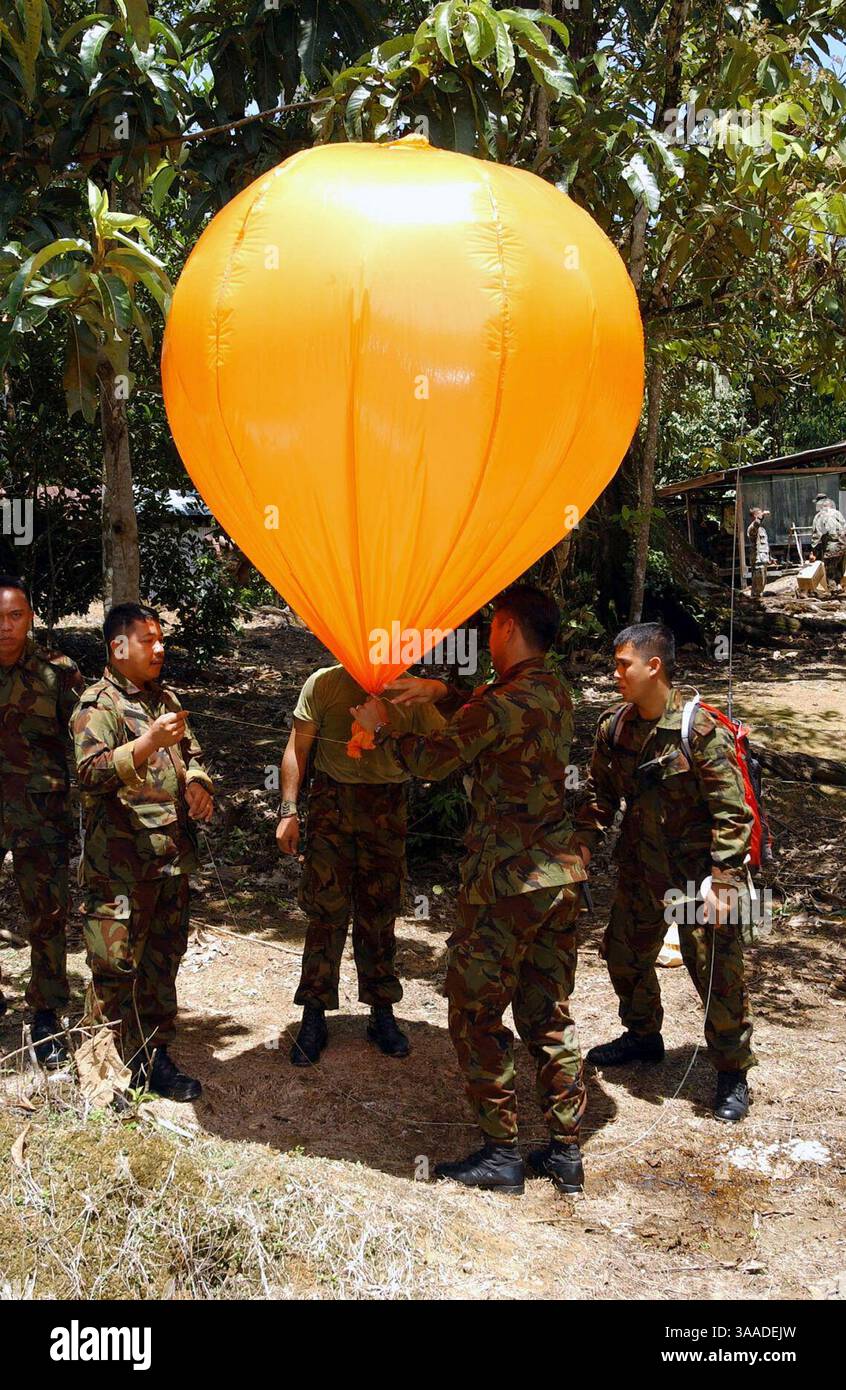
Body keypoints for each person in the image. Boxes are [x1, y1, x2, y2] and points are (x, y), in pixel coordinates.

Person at [352, 584, 588, 1196]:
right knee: (548, 1015)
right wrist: (444, 692)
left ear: (506, 626)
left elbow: (433, 761)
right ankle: (564, 1151)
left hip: (505, 883)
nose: (484, 637)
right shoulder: (556, 692)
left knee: (476, 1011)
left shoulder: (499, 702)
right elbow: (498, 719)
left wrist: (380, 728)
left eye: (489, 627)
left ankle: (501, 1152)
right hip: (559, 880)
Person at [570, 622, 756, 1123]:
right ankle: (643, 1035)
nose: (615, 675)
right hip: (641, 867)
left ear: (654, 666)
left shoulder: (700, 730)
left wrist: (724, 882)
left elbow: (732, 812)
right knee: (622, 954)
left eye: (622, 664)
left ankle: (731, 1069)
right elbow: (599, 796)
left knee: (717, 970)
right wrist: (584, 846)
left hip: (700, 876)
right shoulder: (615, 727)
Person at [71, 602, 214, 1100]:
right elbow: (89, 775)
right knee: (114, 970)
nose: (160, 648)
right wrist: (147, 743)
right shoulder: (97, 705)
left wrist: (198, 783)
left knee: (161, 963)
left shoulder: (164, 697)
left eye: (161, 638)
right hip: (119, 871)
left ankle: (154, 1057)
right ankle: (101, 1074)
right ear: (118, 647)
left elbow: (193, 753)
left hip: (170, 862)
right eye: (149, 639)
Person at [278, 663, 444, 1065]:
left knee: (380, 912)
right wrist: (288, 809)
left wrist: (436, 692)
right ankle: (314, 1013)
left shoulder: (408, 687)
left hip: (386, 807)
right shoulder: (325, 682)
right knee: (325, 912)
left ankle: (381, 1011)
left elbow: (441, 749)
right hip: (332, 806)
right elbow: (297, 748)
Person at [0, 575, 84, 1064]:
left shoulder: (58, 671)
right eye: (0, 617)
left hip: (40, 814)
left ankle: (47, 1014)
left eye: (16, 616)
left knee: (47, 914)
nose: (6, 627)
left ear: (30, 618)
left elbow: (86, 734)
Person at [809, 494, 846, 591]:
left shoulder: (819, 516)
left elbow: (816, 535)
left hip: (831, 548)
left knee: (830, 572)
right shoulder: (837, 513)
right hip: (843, 546)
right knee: (839, 568)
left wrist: (813, 552)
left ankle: (834, 594)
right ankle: (838, 586)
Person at [746, 507, 770, 601]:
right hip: (757, 559)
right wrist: (762, 516)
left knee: (763, 582)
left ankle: (757, 599)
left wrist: (770, 557)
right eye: (759, 515)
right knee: (758, 583)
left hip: (763, 558)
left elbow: (764, 544)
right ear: (755, 516)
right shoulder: (752, 528)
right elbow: (756, 524)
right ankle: (755, 601)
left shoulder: (762, 529)